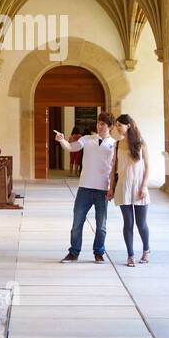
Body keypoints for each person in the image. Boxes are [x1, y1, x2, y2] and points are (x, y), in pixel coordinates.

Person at [54, 112, 116, 263]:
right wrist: (62, 140)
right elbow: (71, 147)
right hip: (85, 187)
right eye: (98, 123)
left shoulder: (114, 144)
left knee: (101, 225)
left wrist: (112, 188)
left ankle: (99, 252)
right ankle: (74, 252)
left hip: (102, 188)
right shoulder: (87, 139)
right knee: (77, 222)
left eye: (102, 124)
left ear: (110, 126)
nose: (99, 126)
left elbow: (115, 167)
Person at [108, 113, 150, 267]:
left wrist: (144, 186)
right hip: (123, 187)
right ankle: (130, 255)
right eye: (117, 125)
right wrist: (111, 188)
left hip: (139, 187)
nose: (117, 127)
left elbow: (147, 167)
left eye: (120, 125)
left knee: (141, 223)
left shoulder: (141, 143)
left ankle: (146, 250)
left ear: (129, 125)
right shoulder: (117, 144)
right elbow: (113, 169)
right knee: (128, 223)